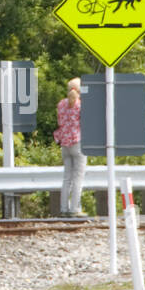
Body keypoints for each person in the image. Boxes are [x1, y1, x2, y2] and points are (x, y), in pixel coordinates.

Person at [54, 77, 86, 216]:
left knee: (67, 177)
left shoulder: (61, 104)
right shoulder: (80, 105)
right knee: (78, 177)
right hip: (77, 142)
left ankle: (63, 208)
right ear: (79, 90)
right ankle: (75, 209)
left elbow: (59, 121)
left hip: (64, 143)